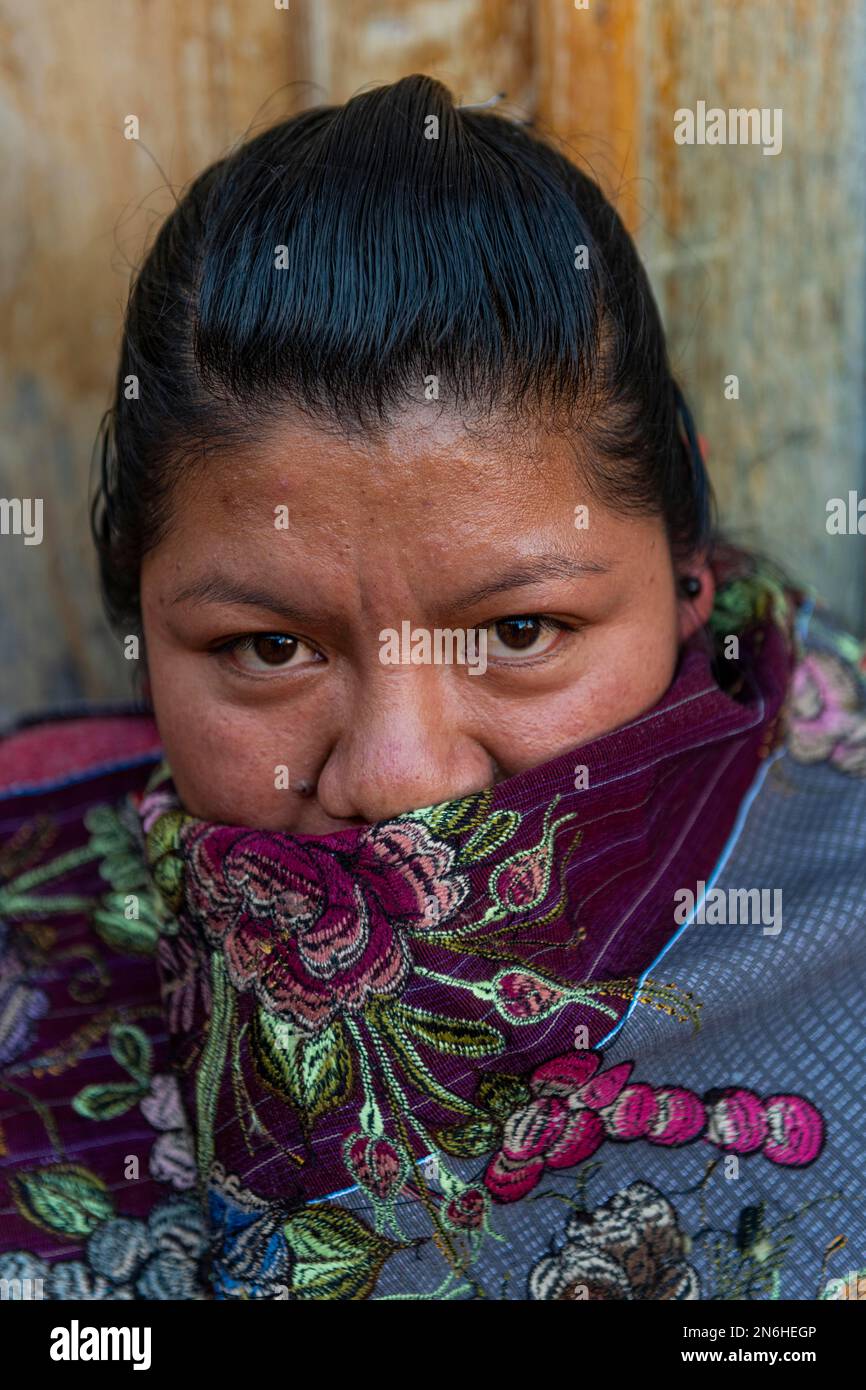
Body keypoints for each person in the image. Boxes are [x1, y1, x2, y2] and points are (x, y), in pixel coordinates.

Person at [1, 74, 864, 1303]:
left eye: (519, 628)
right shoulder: (33, 916)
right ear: (137, 606)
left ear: (681, 572)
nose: (400, 779)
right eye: (267, 649)